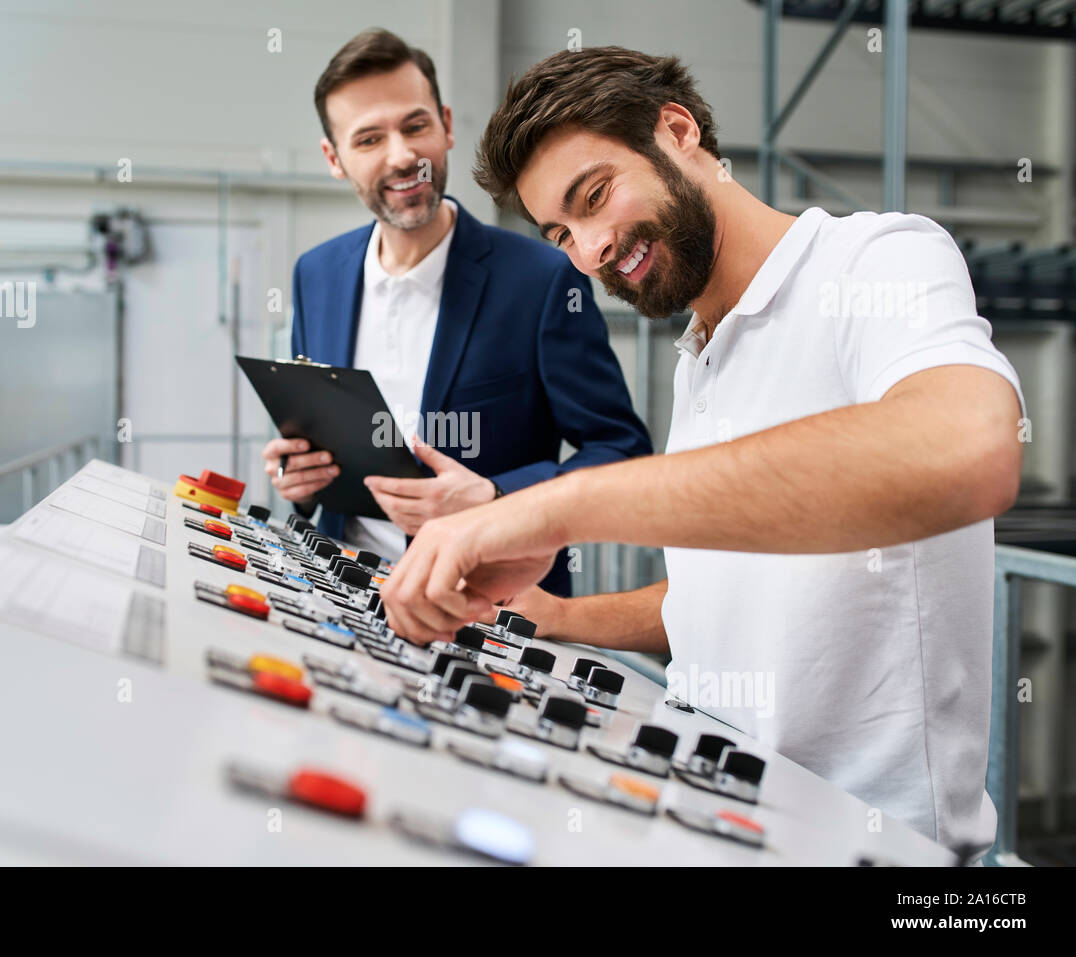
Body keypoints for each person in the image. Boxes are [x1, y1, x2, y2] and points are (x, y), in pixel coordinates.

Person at [379, 46, 1026, 860]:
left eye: (595, 197)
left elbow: (969, 449)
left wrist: (548, 507)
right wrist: (562, 619)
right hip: (714, 813)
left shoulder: (877, 261)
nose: (589, 252)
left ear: (677, 130)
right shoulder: (701, 354)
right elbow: (729, 596)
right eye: (561, 232)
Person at [259, 29, 651, 596]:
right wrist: (298, 478)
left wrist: (494, 499)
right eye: (368, 139)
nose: (402, 156)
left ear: (445, 125)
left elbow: (620, 453)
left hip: (486, 604)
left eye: (415, 126)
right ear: (334, 158)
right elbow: (317, 440)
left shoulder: (542, 279)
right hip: (336, 584)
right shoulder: (315, 274)